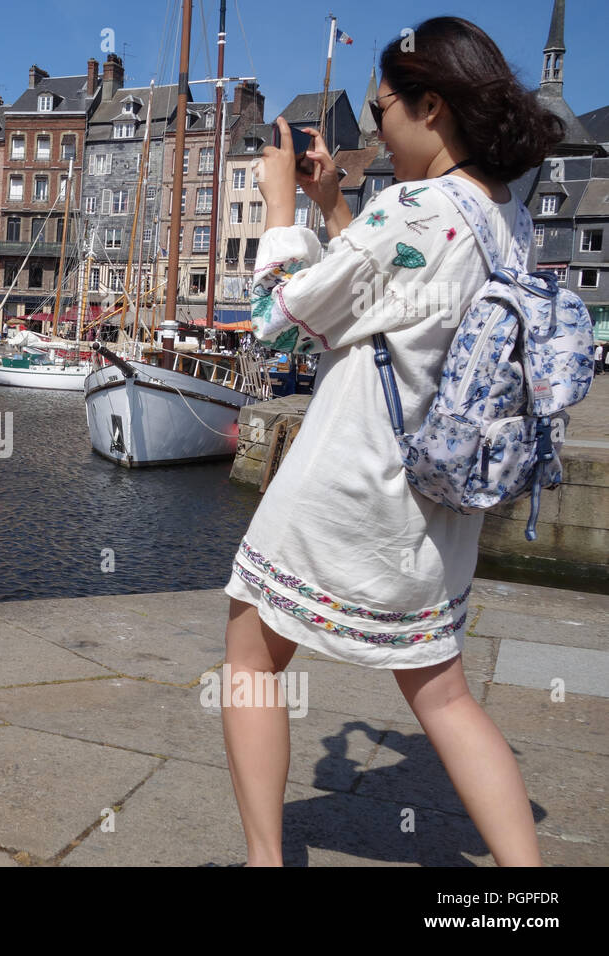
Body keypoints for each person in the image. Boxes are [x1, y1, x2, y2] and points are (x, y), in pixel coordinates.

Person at [221, 16, 562, 865]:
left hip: (352, 476)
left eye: (381, 111)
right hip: (441, 493)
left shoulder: (414, 209)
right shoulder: (505, 218)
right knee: (443, 694)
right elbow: (385, 304)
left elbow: (280, 326)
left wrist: (277, 210)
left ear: (432, 106)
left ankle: (267, 861)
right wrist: (334, 203)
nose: (374, 129)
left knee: (248, 655)